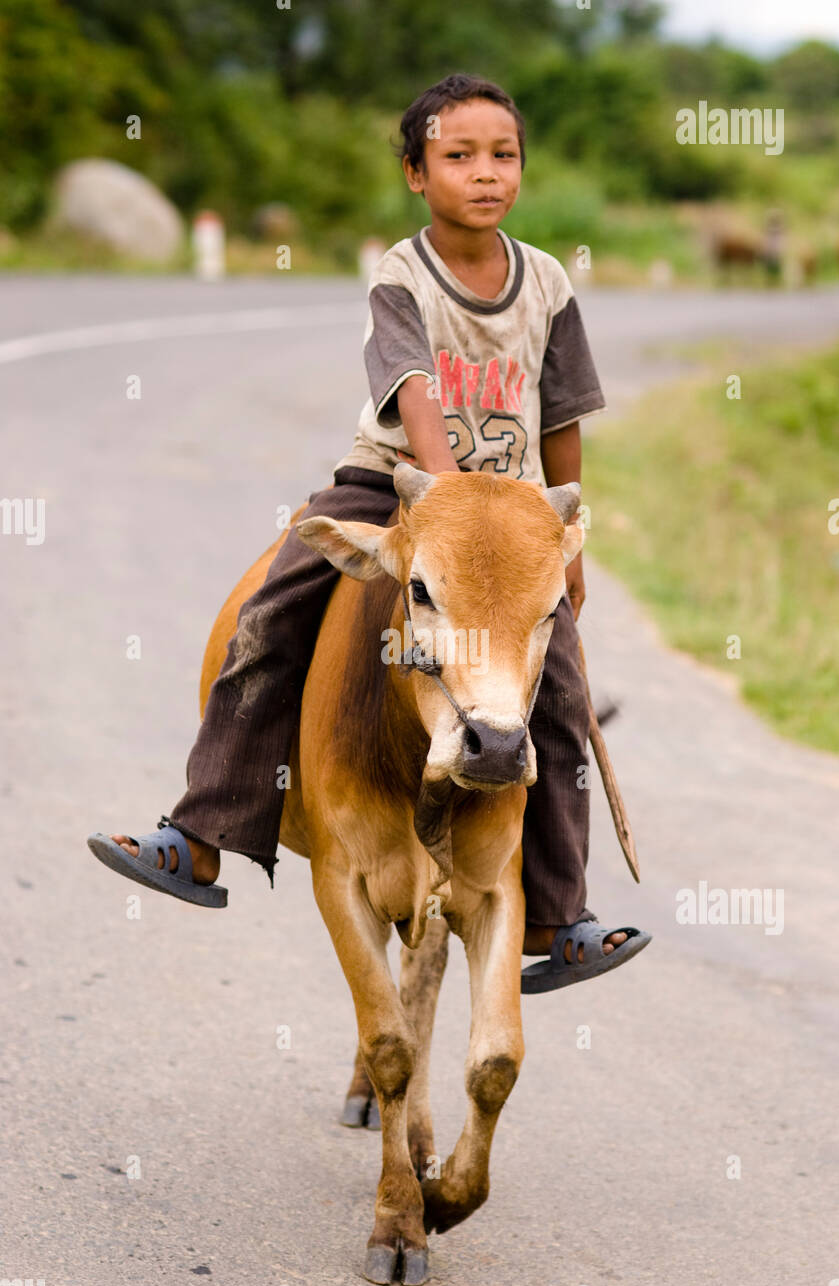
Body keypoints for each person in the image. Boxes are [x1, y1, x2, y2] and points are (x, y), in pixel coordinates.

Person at [88, 73, 650, 992]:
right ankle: (199, 833)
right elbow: (414, 391)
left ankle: (557, 913)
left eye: (502, 155)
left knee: (559, 697)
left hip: (511, 528)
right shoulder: (401, 274)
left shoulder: (546, 280)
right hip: (393, 492)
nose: (485, 174)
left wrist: (563, 527)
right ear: (415, 173)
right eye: (458, 156)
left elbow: (563, 411)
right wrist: (437, 507)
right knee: (270, 616)